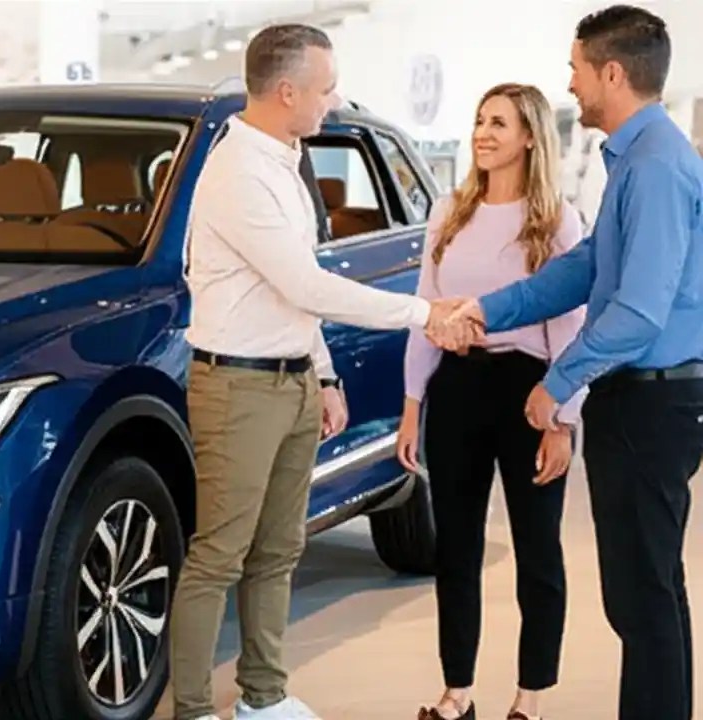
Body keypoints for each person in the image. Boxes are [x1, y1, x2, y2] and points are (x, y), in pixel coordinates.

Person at [170, 23, 463, 720]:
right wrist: (424, 314)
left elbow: (292, 294)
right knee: (219, 556)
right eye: (326, 89)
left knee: (278, 551)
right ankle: (191, 711)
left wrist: (324, 376)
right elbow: (306, 284)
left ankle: (263, 698)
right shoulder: (239, 172)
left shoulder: (286, 158)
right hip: (238, 386)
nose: (333, 103)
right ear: (286, 90)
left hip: (291, 379)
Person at [435, 6, 703, 719]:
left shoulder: (655, 166)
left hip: (650, 403)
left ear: (612, 73)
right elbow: (588, 267)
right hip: (641, 400)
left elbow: (640, 310)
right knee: (647, 593)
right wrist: (492, 309)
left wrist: (556, 383)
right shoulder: (637, 161)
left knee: (642, 599)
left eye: (578, 71)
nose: (572, 86)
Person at [400, 83, 587, 720]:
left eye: (499, 123)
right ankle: (457, 692)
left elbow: (571, 323)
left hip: (530, 389)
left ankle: (529, 697)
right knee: (456, 546)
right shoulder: (449, 212)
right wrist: (411, 403)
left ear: (530, 137)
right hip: (456, 387)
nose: (483, 133)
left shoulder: (557, 220)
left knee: (538, 550)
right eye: (480, 120)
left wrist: (563, 417)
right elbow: (425, 311)